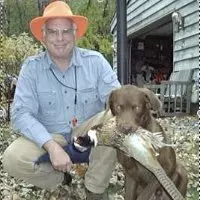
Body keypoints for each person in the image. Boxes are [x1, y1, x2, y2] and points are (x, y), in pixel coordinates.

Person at [2, 1, 121, 200]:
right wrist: (51, 145)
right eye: (53, 32)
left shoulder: (96, 62)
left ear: (74, 34)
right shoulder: (31, 68)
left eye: (65, 31)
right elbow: (21, 114)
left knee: (116, 119)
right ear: (43, 36)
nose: (59, 38)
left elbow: (116, 99)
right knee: (12, 159)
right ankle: (60, 180)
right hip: (49, 136)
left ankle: (95, 189)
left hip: (86, 137)